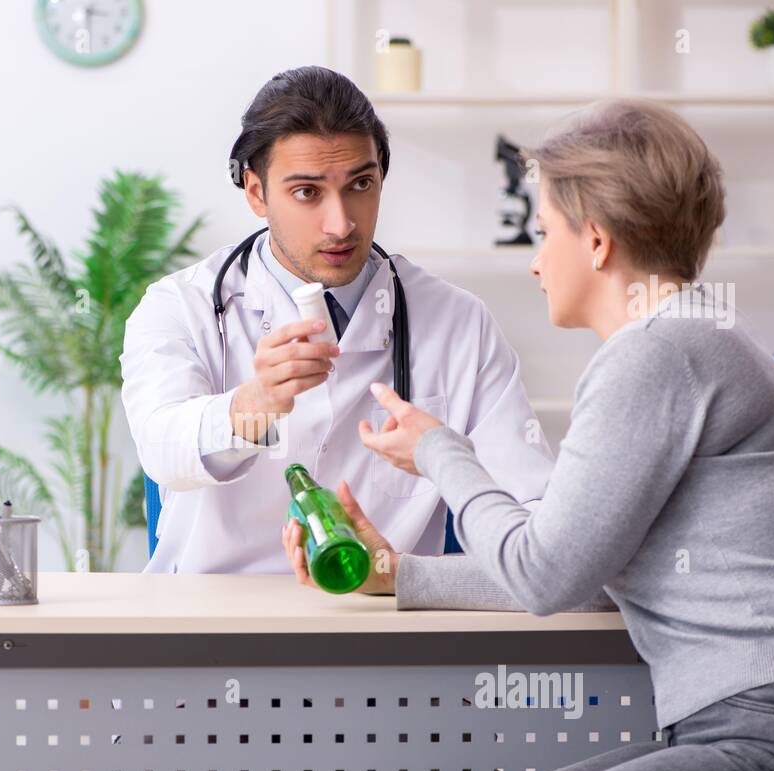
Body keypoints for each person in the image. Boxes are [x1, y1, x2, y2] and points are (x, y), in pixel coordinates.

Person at [285, 97, 774, 771]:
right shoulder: (687, 343)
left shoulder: (660, 351)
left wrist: (441, 451)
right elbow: (581, 565)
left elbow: (544, 571)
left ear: (595, 240)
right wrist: (400, 574)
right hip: (763, 728)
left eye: (543, 233)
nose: (535, 260)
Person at [120, 66, 554, 573]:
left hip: (384, 620)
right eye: (307, 192)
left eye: (360, 184)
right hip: (218, 622)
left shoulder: (456, 321)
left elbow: (531, 505)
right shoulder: (182, 306)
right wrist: (250, 407)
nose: (341, 223)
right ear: (256, 192)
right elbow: (162, 450)